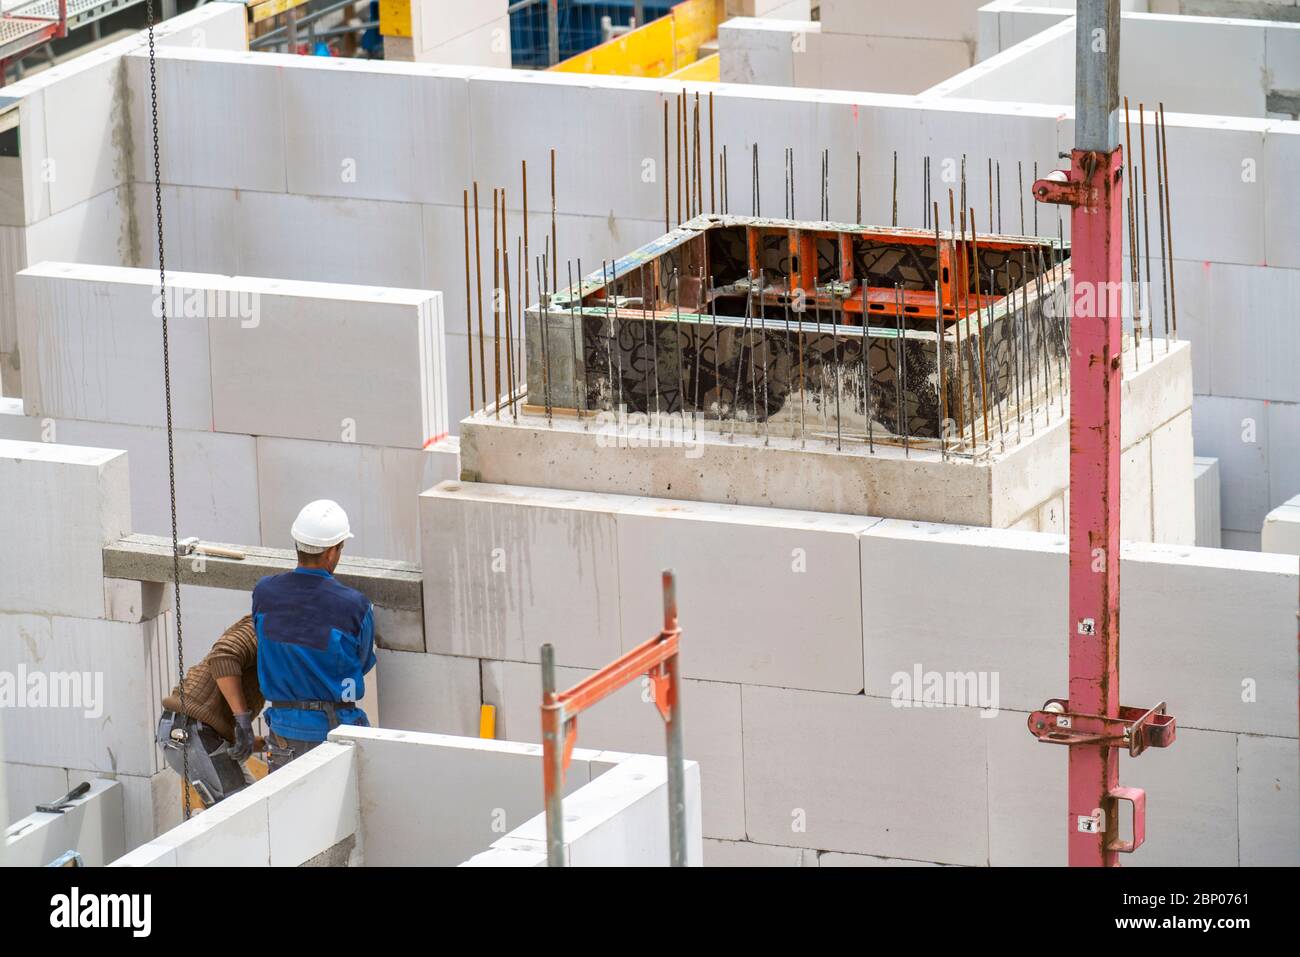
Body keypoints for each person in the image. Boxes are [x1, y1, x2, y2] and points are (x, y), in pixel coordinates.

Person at [254, 499, 376, 771]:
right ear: (332, 553)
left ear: (297, 544)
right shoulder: (354, 605)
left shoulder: (264, 592)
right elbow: (363, 661)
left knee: (288, 810)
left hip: (284, 733)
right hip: (335, 732)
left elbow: (267, 645)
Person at [156, 615, 263, 806]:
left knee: (247, 806)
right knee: (240, 810)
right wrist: (242, 719)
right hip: (191, 728)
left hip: (194, 730)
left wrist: (258, 742)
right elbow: (223, 656)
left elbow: (218, 718)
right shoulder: (260, 625)